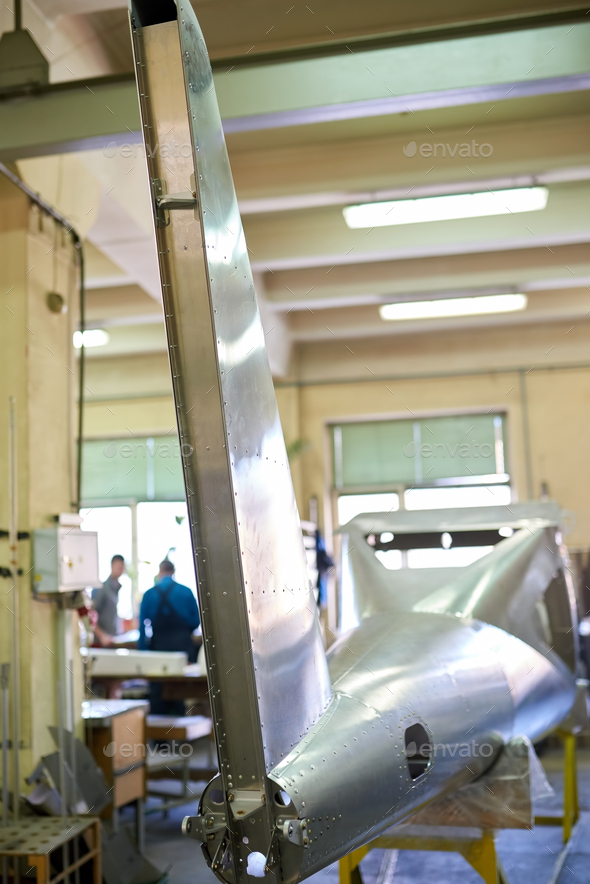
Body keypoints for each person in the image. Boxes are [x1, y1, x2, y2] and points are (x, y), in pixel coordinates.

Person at [139, 559, 200, 714]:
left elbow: (142, 628)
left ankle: (158, 734)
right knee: (180, 688)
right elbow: (196, 621)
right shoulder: (186, 592)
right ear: (173, 572)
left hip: (158, 648)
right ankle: (178, 723)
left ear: (160, 572)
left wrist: (143, 653)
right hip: (182, 647)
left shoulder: (149, 594)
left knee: (158, 689)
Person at [92, 554, 125, 646]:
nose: (121, 570)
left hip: (113, 639)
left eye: (122, 568)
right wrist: (102, 636)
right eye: (118, 567)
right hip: (101, 642)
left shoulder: (117, 588)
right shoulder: (102, 589)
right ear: (112, 566)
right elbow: (90, 615)